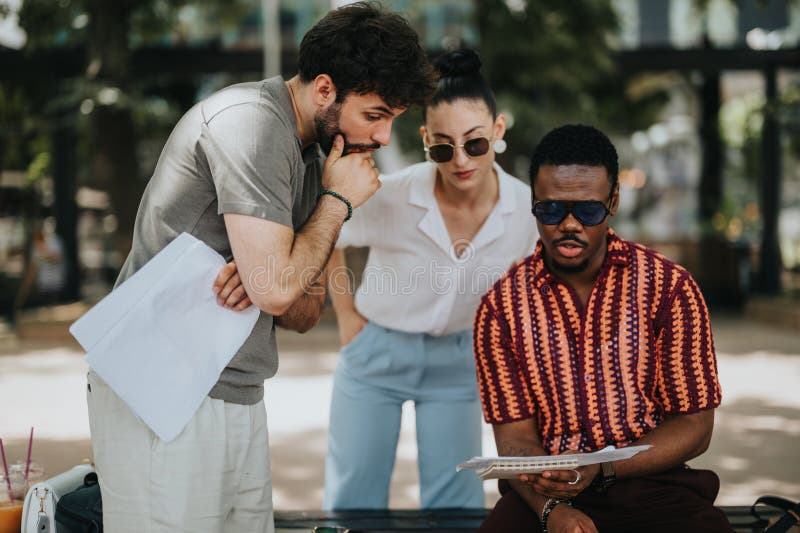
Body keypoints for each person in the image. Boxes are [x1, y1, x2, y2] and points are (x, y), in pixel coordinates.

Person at [85, 3, 434, 532]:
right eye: (376, 114)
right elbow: (277, 292)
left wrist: (281, 263)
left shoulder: (318, 158)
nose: (383, 138)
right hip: (164, 387)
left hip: (238, 390)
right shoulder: (250, 123)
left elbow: (303, 311)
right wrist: (335, 206)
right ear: (323, 90)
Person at [473, 124, 733, 532]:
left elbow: (695, 428)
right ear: (533, 204)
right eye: (552, 210)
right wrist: (552, 512)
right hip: (546, 492)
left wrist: (604, 468)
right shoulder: (501, 306)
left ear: (613, 202)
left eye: (588, 210)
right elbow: (514, 441)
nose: (570, 224)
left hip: (654, 485)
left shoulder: (669, 288)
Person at [323, 49, 538, 511]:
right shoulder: (393, 194)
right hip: (374, 353)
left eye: (475, 143)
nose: (459, 160)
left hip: (460, 364)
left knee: (456, 507)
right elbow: (330, 236)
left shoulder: (525, 210)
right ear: (425, 140)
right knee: (352, 503)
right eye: (442, 146)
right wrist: (346, 318)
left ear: (498, 131)